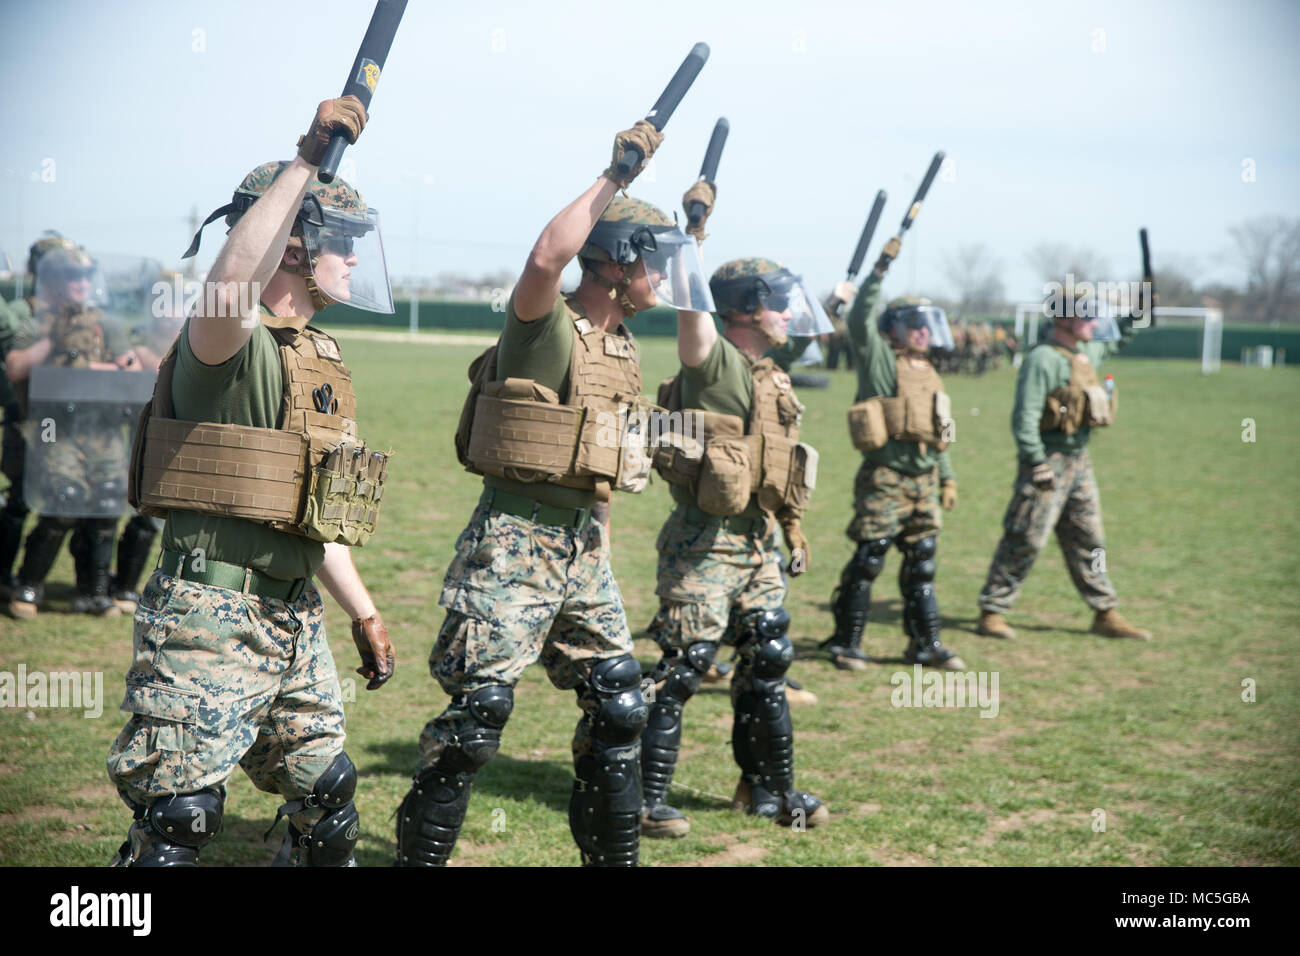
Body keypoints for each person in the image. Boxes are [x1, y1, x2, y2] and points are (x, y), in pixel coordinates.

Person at [396, 117, 717, 867]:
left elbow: (596, 454)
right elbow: (546, 256)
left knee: (620, 702)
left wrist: (599, 531)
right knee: (479, 717)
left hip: (579, 545)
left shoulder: (622, 347)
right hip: (513, 540)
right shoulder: (547, 331)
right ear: (616, 264)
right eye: (655, 263)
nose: (665, 279)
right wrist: (618, 176)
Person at [106, 95, 396, 866]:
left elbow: (307, 511)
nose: (359, 258)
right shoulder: (226, 347)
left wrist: (363, 613)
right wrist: (305, 165)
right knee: (181, 823)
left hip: (292, 619)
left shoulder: (316, 356)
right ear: (295, 247)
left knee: (328, 800)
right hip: (210, 617)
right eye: (345, 240)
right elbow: (230, 283)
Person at [640, 251, 832, 839]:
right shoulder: (716, 363)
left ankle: (769, 792)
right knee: (683, 669)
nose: (788, 313)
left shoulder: (771, 371)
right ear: (746, 309)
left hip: (756, 544)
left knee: (768, 661)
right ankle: (643, 797)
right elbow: (695, 320)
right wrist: (691, 241)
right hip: (703, 545)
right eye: (778, 302)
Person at [822, 238, 967, 673]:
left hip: (923, 479)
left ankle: (925, 645)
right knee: (870, 558)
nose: (923, 331)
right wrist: (879, 271)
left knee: (922, 562)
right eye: (912, 323)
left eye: (927, 323)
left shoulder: (932, 374)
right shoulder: (880, 363)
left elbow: (938, 434)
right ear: (894, 330)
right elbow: (862, 319)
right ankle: (847, 643)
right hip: (885, 477)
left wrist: (948, 476)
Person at [975, 292, 1151, 641]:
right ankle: (992, 611)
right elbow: (1024, 417)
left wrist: (1141, 308)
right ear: (1064, 320)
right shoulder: (1042, 359)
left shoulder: (1085, 354)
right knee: (1025, 537)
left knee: (1091, 540)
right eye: (1087, 316)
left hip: (1079, 462)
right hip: (1046, 462)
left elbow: (1121, 337)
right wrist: (1035, 461)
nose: (1095, 323)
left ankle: (1105, 612)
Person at [4, 243, 142, 618]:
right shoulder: (38, 323)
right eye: (70, 276)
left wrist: (83, 373)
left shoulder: (106, 324)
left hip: (103, 430)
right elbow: (15, 368)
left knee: (109, 499)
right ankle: (28, 585)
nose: (79, 283)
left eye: (84, 275)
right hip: (54, 430)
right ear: (55, 280)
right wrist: (55, 341)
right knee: (64, 500)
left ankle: (94, 592)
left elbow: (129, 370)